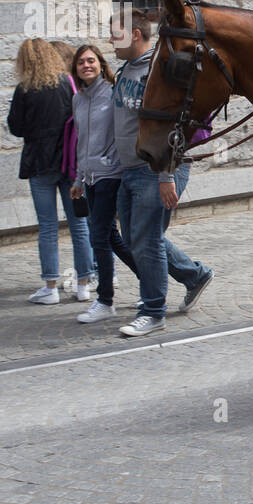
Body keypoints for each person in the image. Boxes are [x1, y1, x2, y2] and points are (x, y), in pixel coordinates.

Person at [111, 13, 214, 338]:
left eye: (116, 35)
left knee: (146, 240)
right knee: (135, 238)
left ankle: (153, 311)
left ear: (135, 34)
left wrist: (166, 174)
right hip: (130, 169)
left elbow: (176, 122)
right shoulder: (125, 69)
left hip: (157, 168)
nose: (111, 41)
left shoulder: (158, 71)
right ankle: (194, 275)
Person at [8, 38, 96, 305]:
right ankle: (83, 285)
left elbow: (16, 128)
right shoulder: (68, 85)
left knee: (47, 227)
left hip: (40, 164)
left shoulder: (24, 90)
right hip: (70, 164)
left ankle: (50, 287)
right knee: (79, 225)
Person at [68, 43, 140, 324]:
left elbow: (125, 130)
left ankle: (105, 300)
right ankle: (149, 283)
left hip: (111, 175)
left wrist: (116, 163)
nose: (86, 65)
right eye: (80, 62)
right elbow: (81, 141)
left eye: (91, 61)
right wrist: (77, 177)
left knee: (98, 236)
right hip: (89, 178)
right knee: (110, 237)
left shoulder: (113, 92)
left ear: (100, 64)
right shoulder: (78, 98)